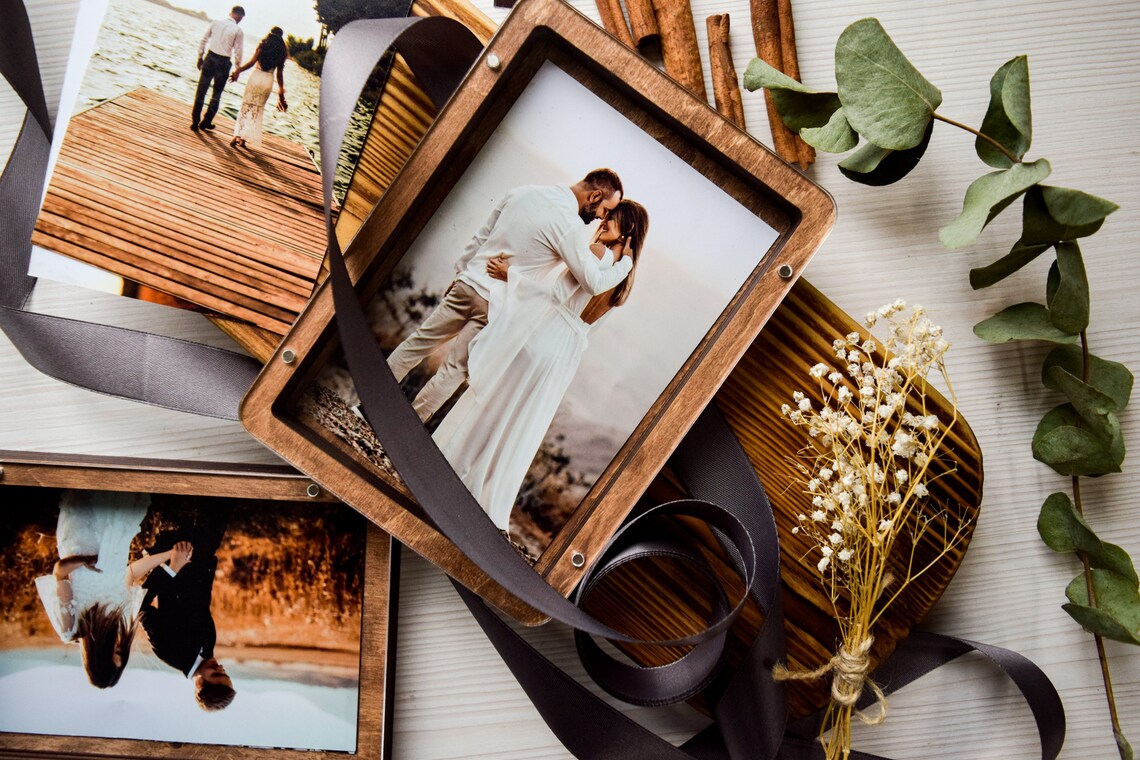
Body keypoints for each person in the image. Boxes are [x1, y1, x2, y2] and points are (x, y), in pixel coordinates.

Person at [432, 199, 649, 531]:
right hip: (565, 352)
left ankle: (453, 462)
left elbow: (550, 293)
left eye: (613, 219)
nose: (603, 222)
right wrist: (626, 262)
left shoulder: (599, 256)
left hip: (545, 334)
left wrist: (511, 274)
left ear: (628, 229)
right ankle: (483, 487)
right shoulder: (624, 284)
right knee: (521, 419)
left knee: (494, 400)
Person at [384, 169, 633, 423]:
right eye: (604, 209)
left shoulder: (522, 192)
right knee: (454, 370)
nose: (601, 217)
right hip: (495, 305)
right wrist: (625, 262)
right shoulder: (570, 227)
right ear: (595, 196)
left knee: (418, 342)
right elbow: (592, 282)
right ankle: (403, 426)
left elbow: (480, 237)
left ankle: (367, 402)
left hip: (468, 284)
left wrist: (460, 273)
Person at [34, 490, 175, 688]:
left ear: (99, 656)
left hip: (82, 536)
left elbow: (59, 572)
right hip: (116, 535)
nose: (119, 646)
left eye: (115, 652)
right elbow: (132, 573)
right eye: (122, 653)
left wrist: (84, 561)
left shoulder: (72, 628)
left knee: (84, 483)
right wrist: (170, 554)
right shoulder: (121, 618)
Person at [139, 513, 236, 711]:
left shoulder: (170, 652)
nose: (220, 667)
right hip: (205, 548)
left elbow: (139, 606)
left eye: (216, 674)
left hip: (176, 545)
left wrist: (173, 567)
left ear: (200, 684)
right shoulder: (208, 649)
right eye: (225, 673)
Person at [229, 26, 289, 148]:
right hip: (267, 80)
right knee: (256, 110)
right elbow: (279, 74)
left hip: (255, 77)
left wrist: (238, 71)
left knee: (246, 106)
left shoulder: (263, 45)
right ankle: (243, 140)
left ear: (270, 34)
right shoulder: (282, 51)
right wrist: (281, 94)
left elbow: (251, 63)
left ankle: (237, 135)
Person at [191, 6, 245, 132]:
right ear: (240, 17)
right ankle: (207, 121)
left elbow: (203, 40)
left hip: (210, 58)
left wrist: (200, 57)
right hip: (223, 62)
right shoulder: (238, 30)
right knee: (216, 93)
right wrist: (237, 70)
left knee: (201, 90)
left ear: (230, 13)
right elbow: (238, 52)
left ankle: (195, 121)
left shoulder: (216, 23)